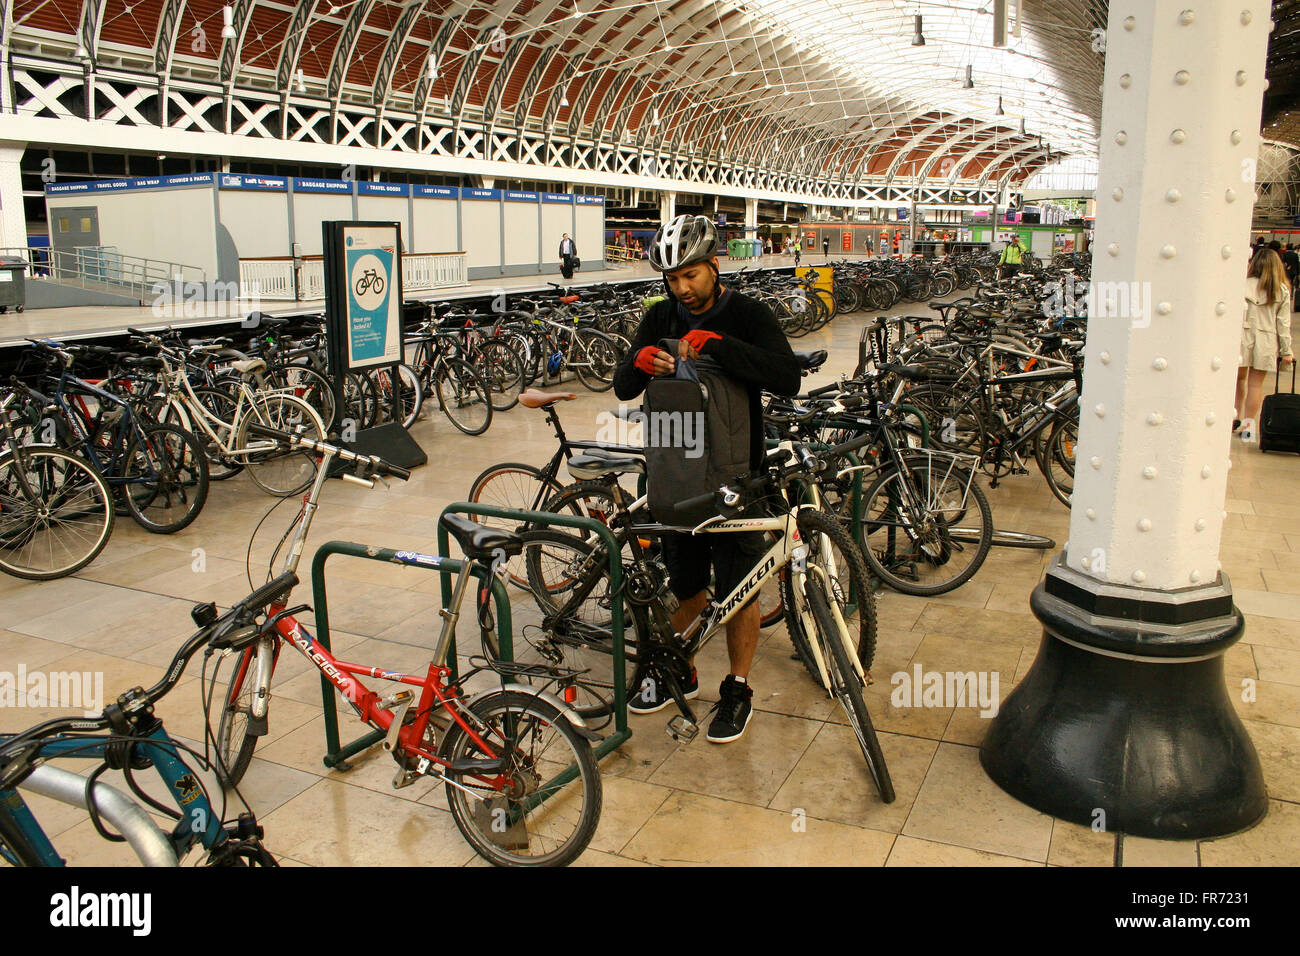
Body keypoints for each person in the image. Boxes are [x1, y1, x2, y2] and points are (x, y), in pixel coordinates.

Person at [613, 214, 801, 742]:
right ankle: (683, 667)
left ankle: (737, 688)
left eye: (690, 276)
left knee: (741, 586)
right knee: (686, 581)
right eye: (672, 280)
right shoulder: (659, 317)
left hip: (738, 473)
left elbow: (785, 376)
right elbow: (624, 387)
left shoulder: (746, 313)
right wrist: (641, 364)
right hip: (676, 473)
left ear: (713, 267)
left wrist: (716, 344)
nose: (682, 289)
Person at [1236, 248, 1294, 435]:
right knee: (1255, 385)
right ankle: (1248, 427)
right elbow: (1283, 324)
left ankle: (1234, 418)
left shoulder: (1242, 285)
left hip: (1242, 336)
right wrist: (1286, 350)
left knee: (1238, 380)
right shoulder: (1281, 290)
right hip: (1267, 338)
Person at [1282, 243, 1299, 310]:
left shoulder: (1285, 254)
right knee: (1292, 282)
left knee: (1287, 282)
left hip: (1287, 270)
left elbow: (1283, 262)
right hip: (1294, 271)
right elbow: (1297, 263)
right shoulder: (1295, 254)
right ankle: (1291, 294)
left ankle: (1288, 293)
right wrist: (1298, 272)